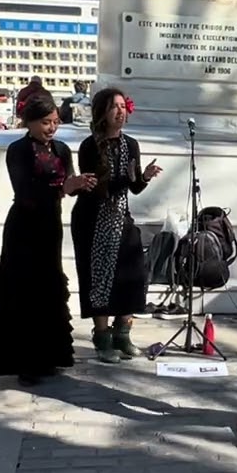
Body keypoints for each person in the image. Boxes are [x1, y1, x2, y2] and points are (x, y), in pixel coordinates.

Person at [0, 96, 93, 385]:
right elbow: (25, 191)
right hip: (23, 226)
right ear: (30, 122)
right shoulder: (18, 150)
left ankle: (49, 356)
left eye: (55, 122)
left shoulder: (61, 149)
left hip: (51, 226)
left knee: (48, 287)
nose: (51, 128)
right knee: (24, 290)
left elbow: (68, 184)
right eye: (46, 122)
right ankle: (23, 361)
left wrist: (79, 185)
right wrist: (62, 187)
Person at [72, 88, 163, 363]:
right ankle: (102, 338)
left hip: (122, 218)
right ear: (102, 112)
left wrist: (144, 177)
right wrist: (127, 180)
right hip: (94, 220)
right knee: (98, 278)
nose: (120, 112)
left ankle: (123, 334)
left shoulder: (131, 144)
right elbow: (100, 187)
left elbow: (132, 187)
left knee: (134, 275)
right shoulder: (90, 146)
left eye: (123, 106)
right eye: (114, 107)